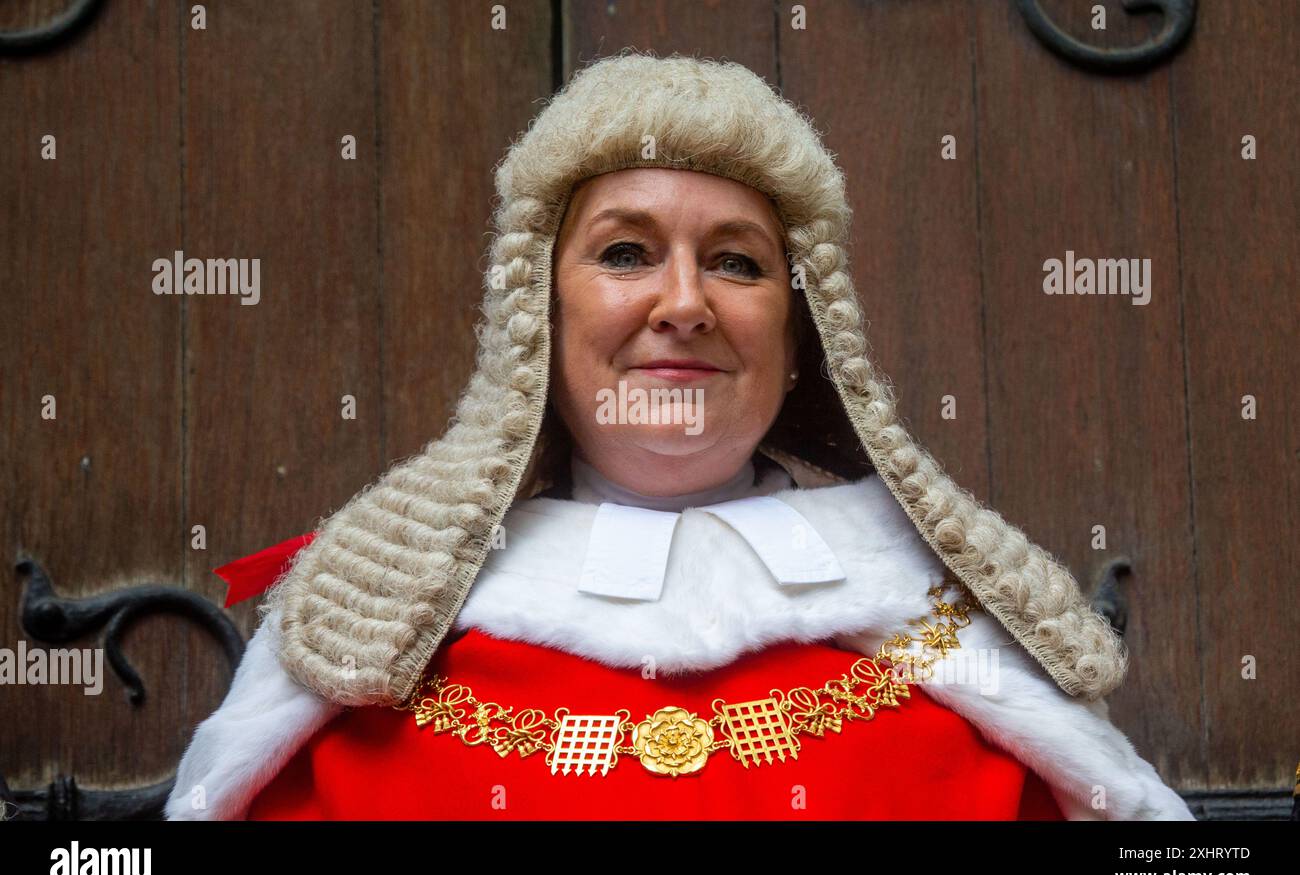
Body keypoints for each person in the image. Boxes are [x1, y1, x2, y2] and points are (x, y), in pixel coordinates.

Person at [165, 51, 1193, 821]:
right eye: (625, 252)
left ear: (800, 340)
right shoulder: (371, 632)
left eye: (738, 263)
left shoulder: (954, 641)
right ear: (539, 316)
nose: (684, 302)